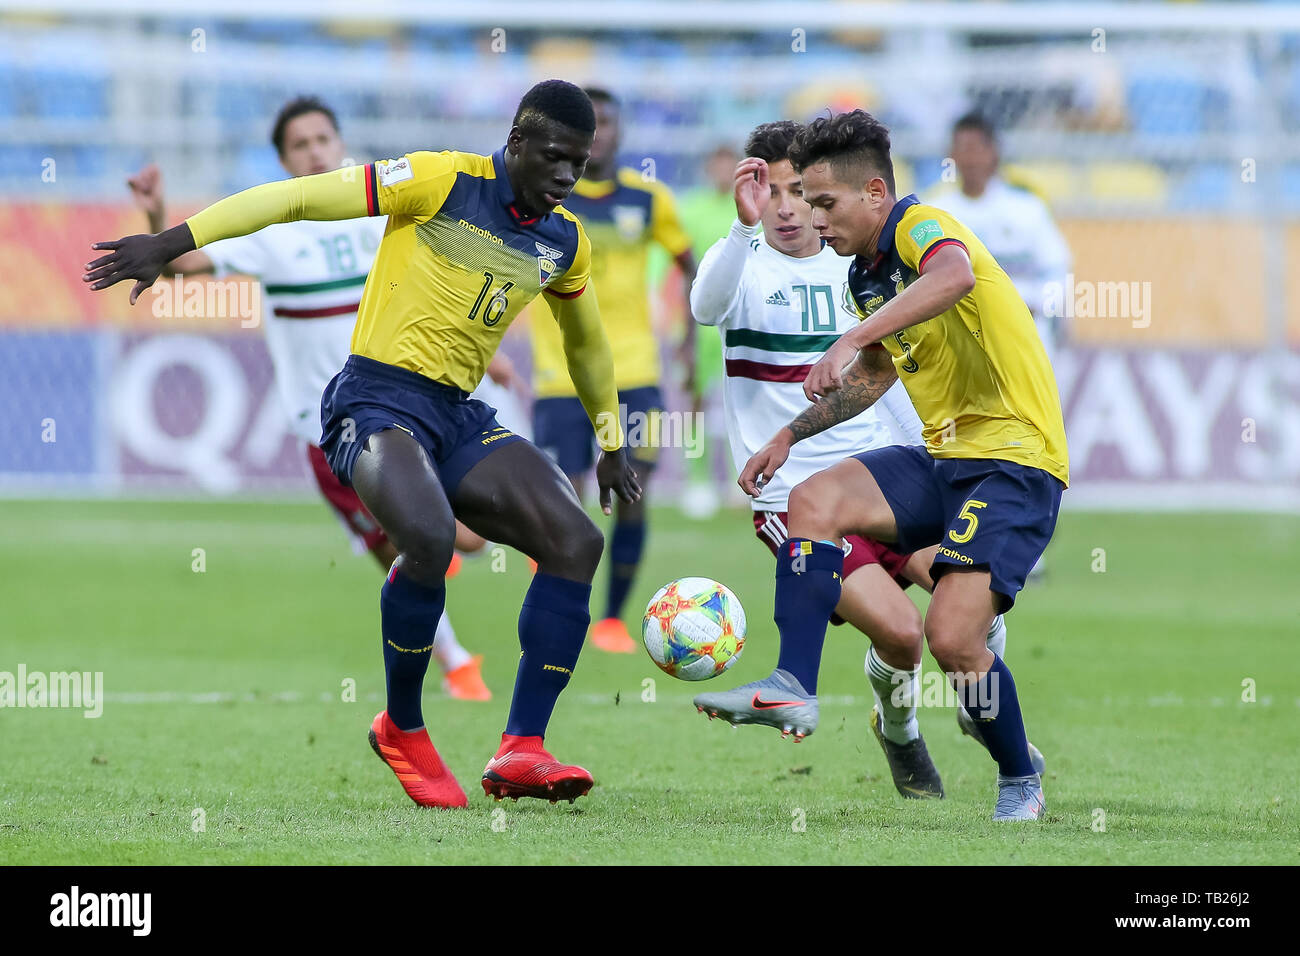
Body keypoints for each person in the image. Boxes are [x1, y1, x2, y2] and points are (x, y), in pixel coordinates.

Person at [85, 80, 641, 809]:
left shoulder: (563, 240)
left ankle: (521, 748)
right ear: (517, 144)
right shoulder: (441, 180)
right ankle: (402, 727)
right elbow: (293, 201)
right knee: (431, 537)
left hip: (457, 411)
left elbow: (587, 343)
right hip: (372, 399)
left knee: (575, 540)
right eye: (557, 158)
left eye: (581, 161)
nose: (571, 176)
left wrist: (610, 441)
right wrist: (171, 238)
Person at [729, 110, 1067, 821]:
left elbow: (956, 274)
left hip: (1012, 459)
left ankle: (1018, 776)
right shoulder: (868, 273)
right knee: (812, 501)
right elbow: (876, 374)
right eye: (809, 204)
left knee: (950, 640)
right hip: (943, 456)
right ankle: (794, 679)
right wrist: (790, 434)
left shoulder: (921, 227)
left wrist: (852, 333)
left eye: (825, 202)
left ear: (875, 194)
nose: (815, 219)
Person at [125, 96, 496, 701]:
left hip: (410, 405)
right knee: (406, 548)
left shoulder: (381, 212)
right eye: (299, 145)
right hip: (332, 430)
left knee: (465, 541)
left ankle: (452, 574)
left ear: (340, 143)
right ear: (282, 159)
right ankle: (454, 659)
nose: (315, 151)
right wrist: (158, 216)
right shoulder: (273, 230)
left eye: (323, 138)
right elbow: (183, 264)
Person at [528, 87, 696, 654]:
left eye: (609, 124)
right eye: (592, 124)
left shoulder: (648, 200)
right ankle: (560, 612)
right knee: (563, 498)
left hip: (636, 372)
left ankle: (613, 620)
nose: (603, 134)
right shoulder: (544, 196)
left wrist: (689, 346)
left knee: (633, 489)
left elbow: (687, 268)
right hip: (560, 374)